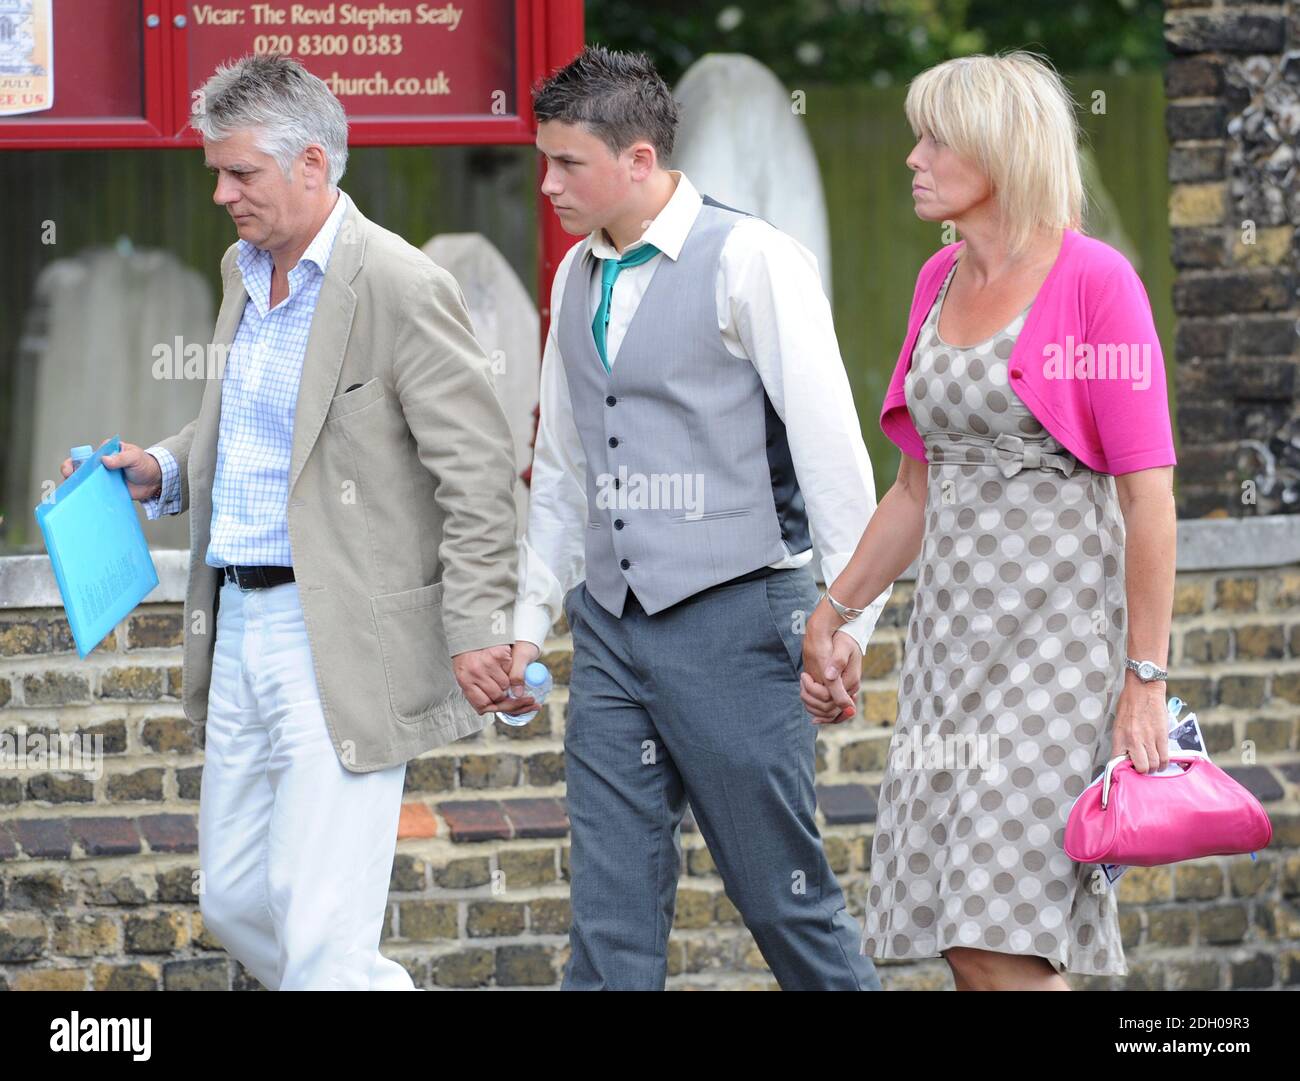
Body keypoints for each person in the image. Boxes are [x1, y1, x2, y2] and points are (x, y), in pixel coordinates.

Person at [61, 54, 521, 990]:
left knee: (319, 936)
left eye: (241, 173)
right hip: (238, 629)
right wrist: (162, 466)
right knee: (234, 900)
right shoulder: (243, 269)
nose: (223, 193)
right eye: (218, 173)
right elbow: (254, 425)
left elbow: (478, 473)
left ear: (312, 164)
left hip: (341, 635)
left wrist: (478, 627)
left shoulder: (398, 283)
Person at [502, 45, 891, 990]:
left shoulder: (754, 259)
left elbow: (837, 459)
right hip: (608, 631)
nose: (547, 183)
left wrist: (845, 627)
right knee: (607, 931)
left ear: (639, 160)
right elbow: (560, 471)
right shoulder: (570, 279)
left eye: (567, 163)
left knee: (786, 905)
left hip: (739, 620)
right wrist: (523, 625)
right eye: (542, 160)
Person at [800, 51, 1178, 990]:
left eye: (935, 139)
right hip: (950, 651)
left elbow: (1148, 497)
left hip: (1056, 654)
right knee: (962, 936)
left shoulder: (1096, 284)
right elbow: (914, 494)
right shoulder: (936, 281)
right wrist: (835, 608)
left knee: (996, 929)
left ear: (1000, 152)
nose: (912, 157)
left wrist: (1144, 678)